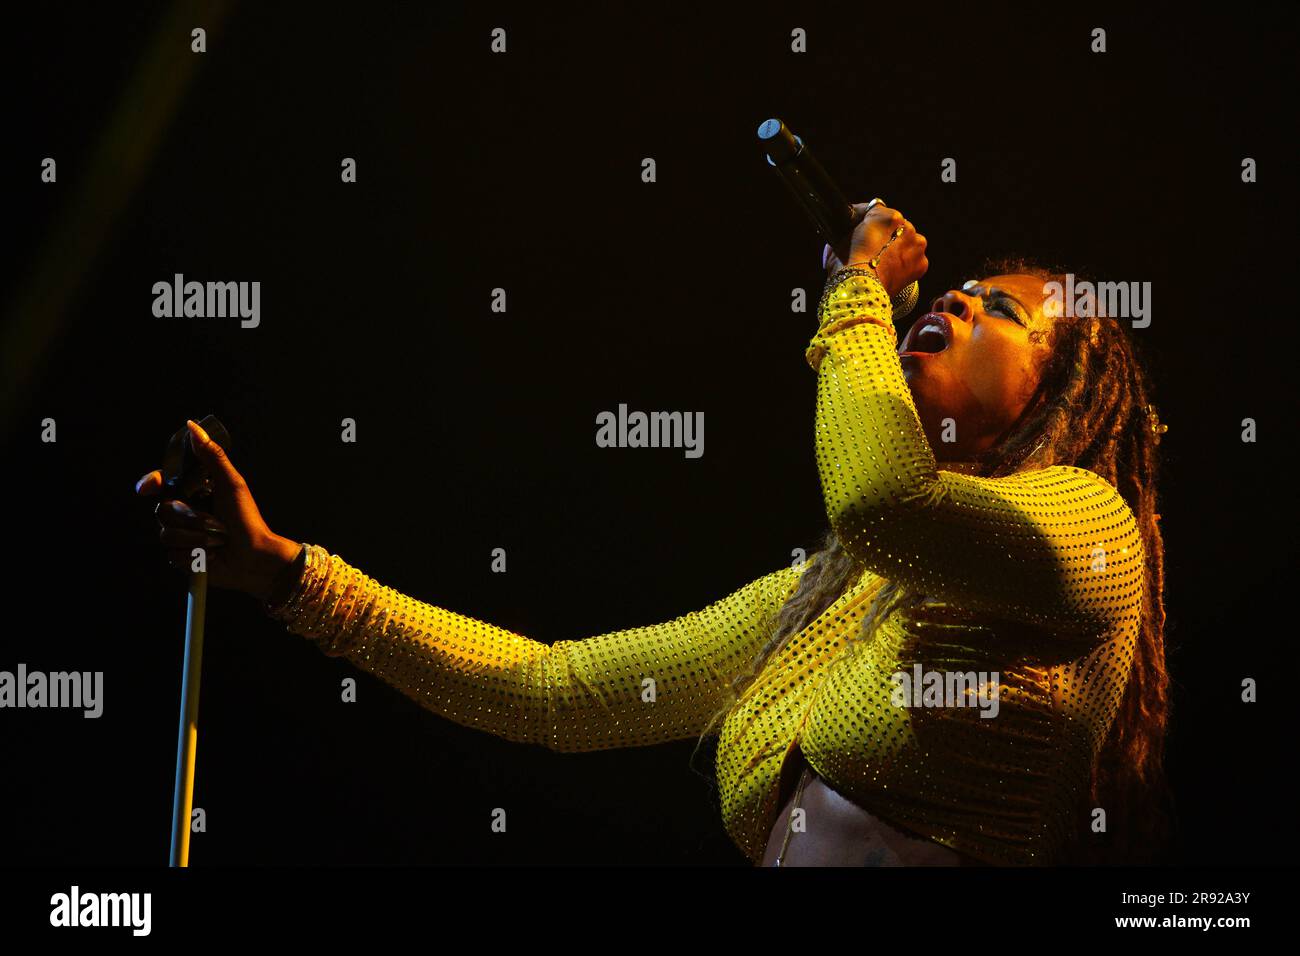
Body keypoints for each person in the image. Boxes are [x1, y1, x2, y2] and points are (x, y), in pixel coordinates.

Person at [135, 201, 1171, 866]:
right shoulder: (835, 601)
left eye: (1000, 310)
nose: (953, 298)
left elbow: (876, 498)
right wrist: (285, 573)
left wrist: (855, 294)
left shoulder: (1093, 529)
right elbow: (553, 690)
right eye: (957, 288)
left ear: (1064, 395)